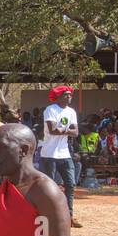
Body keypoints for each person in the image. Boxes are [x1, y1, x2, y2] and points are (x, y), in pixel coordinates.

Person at [39, 85, 80, 226]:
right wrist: (68, 130)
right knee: (49, 186)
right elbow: (52, 130)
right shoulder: (50, 110)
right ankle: (48, 216)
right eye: (66, 95)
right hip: (49, 154)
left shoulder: (71, 112)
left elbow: (76, 132)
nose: (69, 97)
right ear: (59, 97)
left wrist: (62, 129)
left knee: (70, 184)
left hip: (64, 153)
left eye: (70, 95)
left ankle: (69, 216)